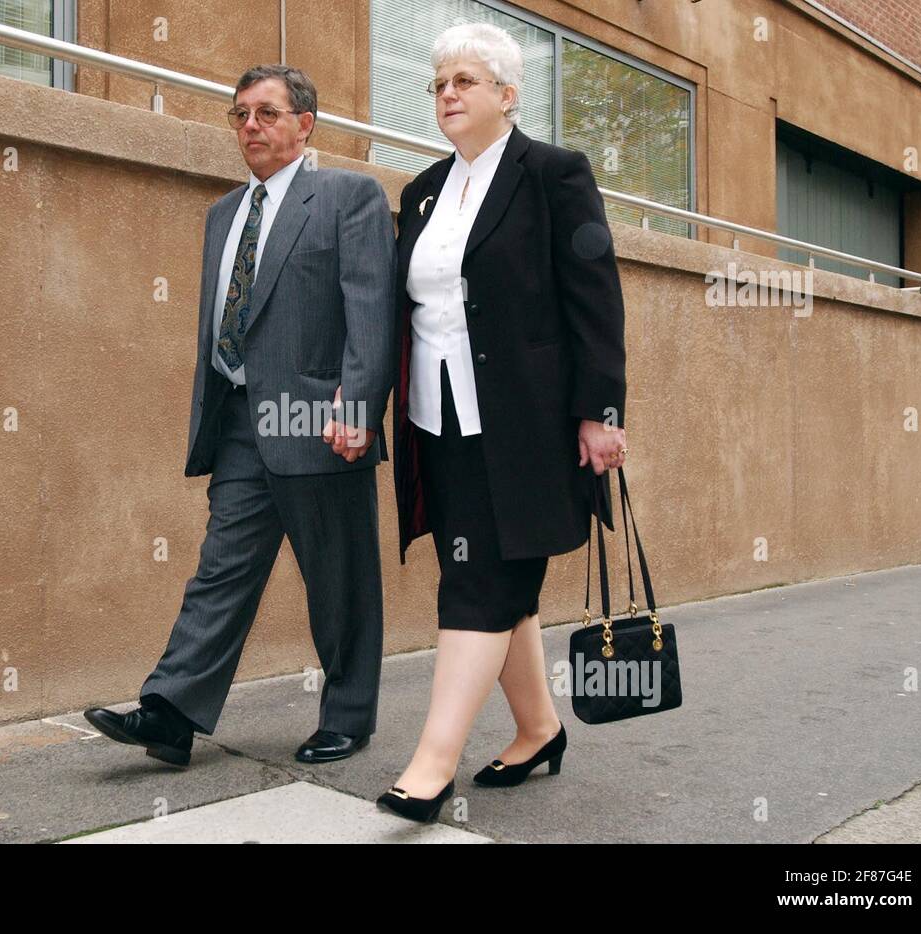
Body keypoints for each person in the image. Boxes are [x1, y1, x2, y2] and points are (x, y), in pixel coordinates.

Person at [85, 64, 397, 768]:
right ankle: (171, 713)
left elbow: (372, 312)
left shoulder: (348, 197)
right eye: (240, 115)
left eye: (266, 113)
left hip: (318, 420)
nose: (251, 126)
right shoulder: (223, 214)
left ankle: (348, 715)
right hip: (240, 423)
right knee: (220, 572)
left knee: (338, 575)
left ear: (304, 125)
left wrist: (359, 406)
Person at [378, 22, 629, 822]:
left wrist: (600, 412)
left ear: (507, 94)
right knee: (494, 575)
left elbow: (595, 300)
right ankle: (538, 727)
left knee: (481, 583)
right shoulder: (422, 190)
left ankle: (430, 765)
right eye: (439, 84)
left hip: (526, 424)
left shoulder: (554, 175)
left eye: (464, 82)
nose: (447, 95)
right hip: (437, 421)